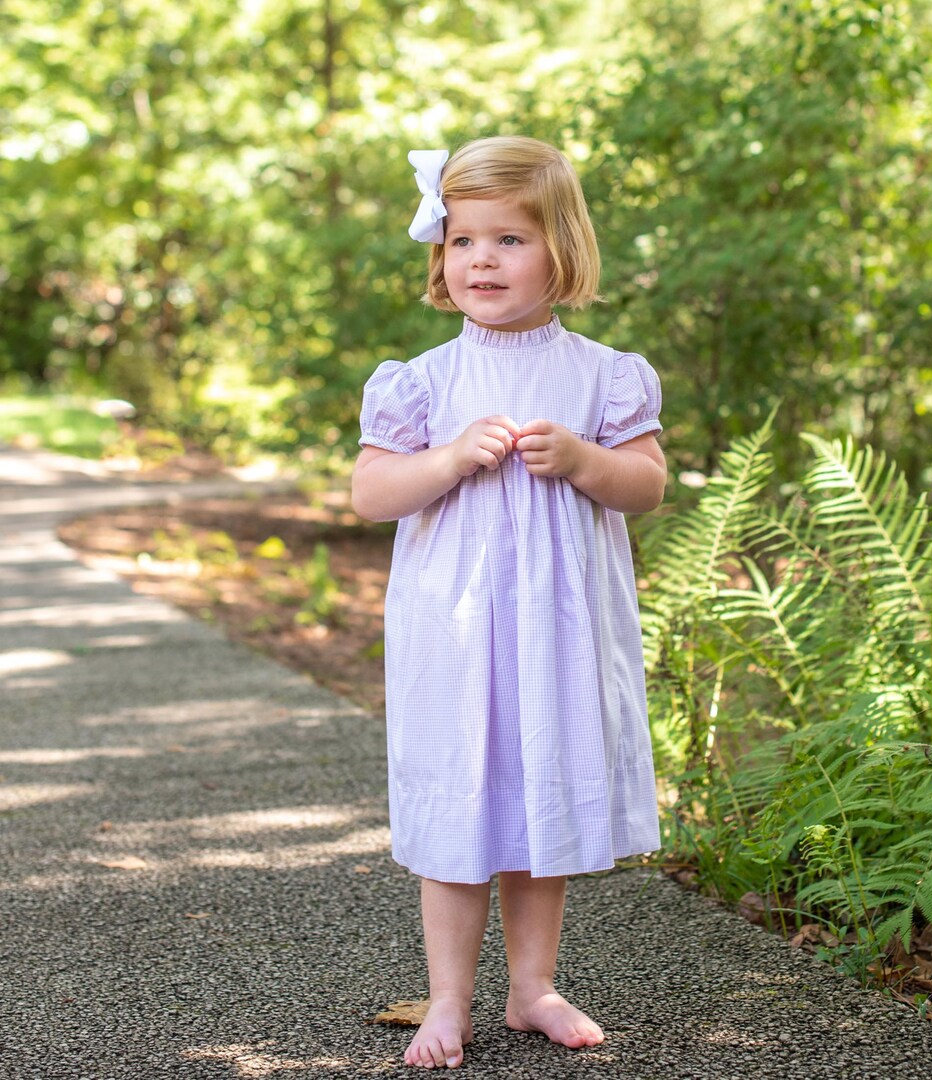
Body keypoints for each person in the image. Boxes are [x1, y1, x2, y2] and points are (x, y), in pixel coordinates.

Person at [351, 135, 666, 1070]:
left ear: (561, 251)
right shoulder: (423, 380)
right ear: (440, 257)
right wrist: (448, 459)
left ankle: (533, 988)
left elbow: (646, 484)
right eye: (462, 241)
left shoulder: (604, 374)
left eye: (509, 240)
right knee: (459, 807)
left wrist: (584, 459)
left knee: (539, 805)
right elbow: (371, 493)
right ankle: (448, 1000)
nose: (481, 260)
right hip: (453, 633)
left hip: (558, 632)